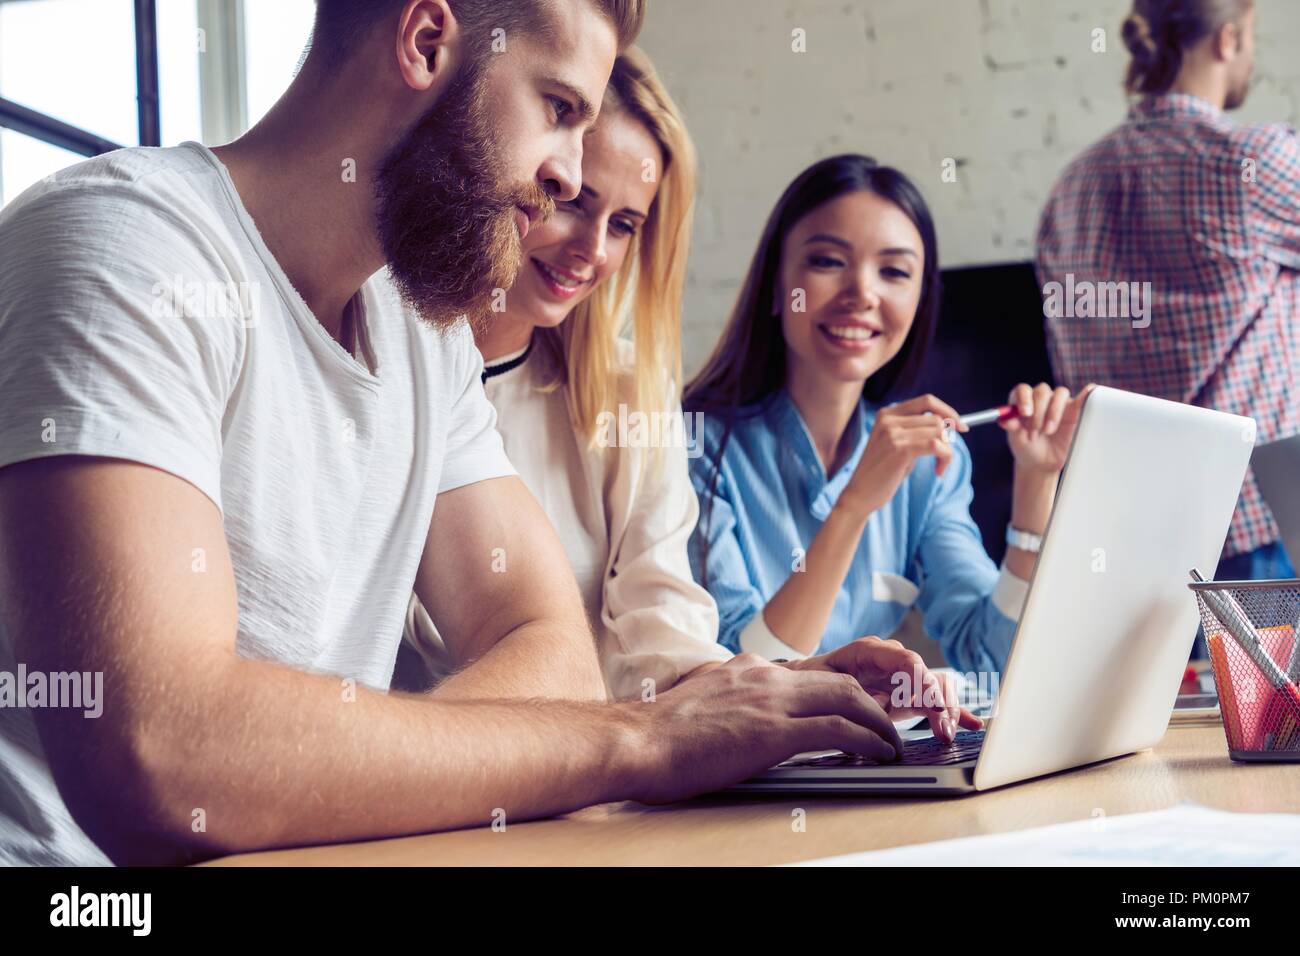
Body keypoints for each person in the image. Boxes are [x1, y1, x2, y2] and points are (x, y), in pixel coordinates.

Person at [0, 1, 963, 867]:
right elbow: (167, 753)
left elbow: (553, 653)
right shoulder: (124, 251)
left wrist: (302, 773)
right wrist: (643, 738)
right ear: (426, 42)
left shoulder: (422, 336)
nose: (567, 177)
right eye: (559, 110)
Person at [400, 47, 733, 700]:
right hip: (398, 771)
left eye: (626, 225)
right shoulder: (390, 361)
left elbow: (661, 616)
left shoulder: (627, 386)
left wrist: (770, 693)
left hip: (578, 775)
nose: (594, 252)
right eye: (575, 202)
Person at [686, 154, 1091, 678]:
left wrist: (1036, 483)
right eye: (828, 262)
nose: (863, 294)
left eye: (894, 272)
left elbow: (993, 658)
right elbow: (740, 675)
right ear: (775, 285)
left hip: (860, 757)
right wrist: (854, 507)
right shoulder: (692, 448)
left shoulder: (929, 463)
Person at [1036, 0, 1299, 584]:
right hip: (1251, 530)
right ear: (1228, 40)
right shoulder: (1251, 164)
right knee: (1271, 681)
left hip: (1125, 539)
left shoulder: (1070, 188)